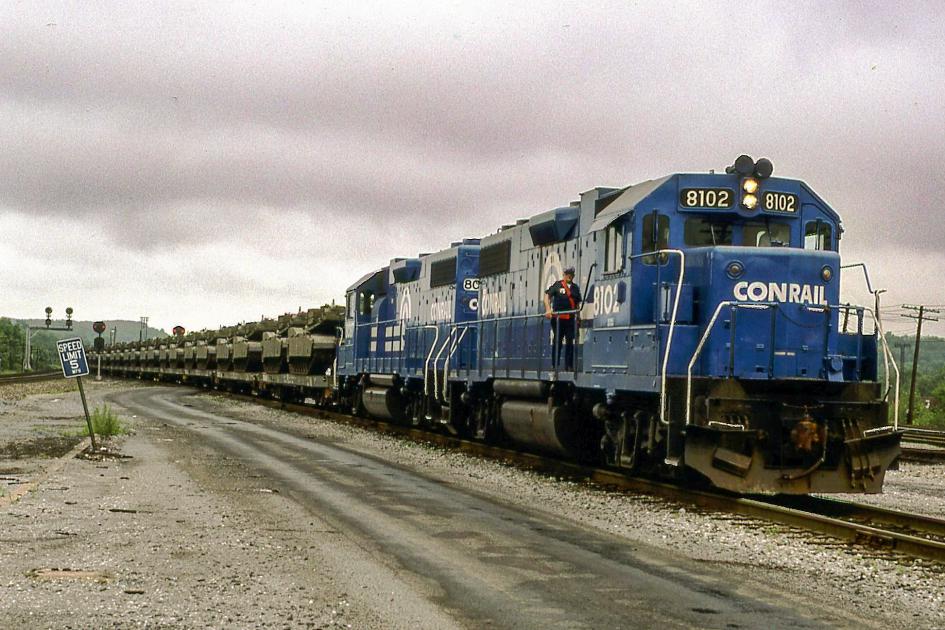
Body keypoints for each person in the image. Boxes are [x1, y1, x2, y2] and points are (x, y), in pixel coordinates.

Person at [544, 267, 582, 370]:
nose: (569, 275)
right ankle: (554, 365)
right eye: (567, 273)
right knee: (558, 341)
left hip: (570, 319)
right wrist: (548, 309)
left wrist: (578, 318)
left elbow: (577, 304)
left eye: (571, 274)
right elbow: (547, 295)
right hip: (558, 319)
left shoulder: (575, 288)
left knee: (570, 342)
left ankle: (569, 366)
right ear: (564, 274)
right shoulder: (557, 285)